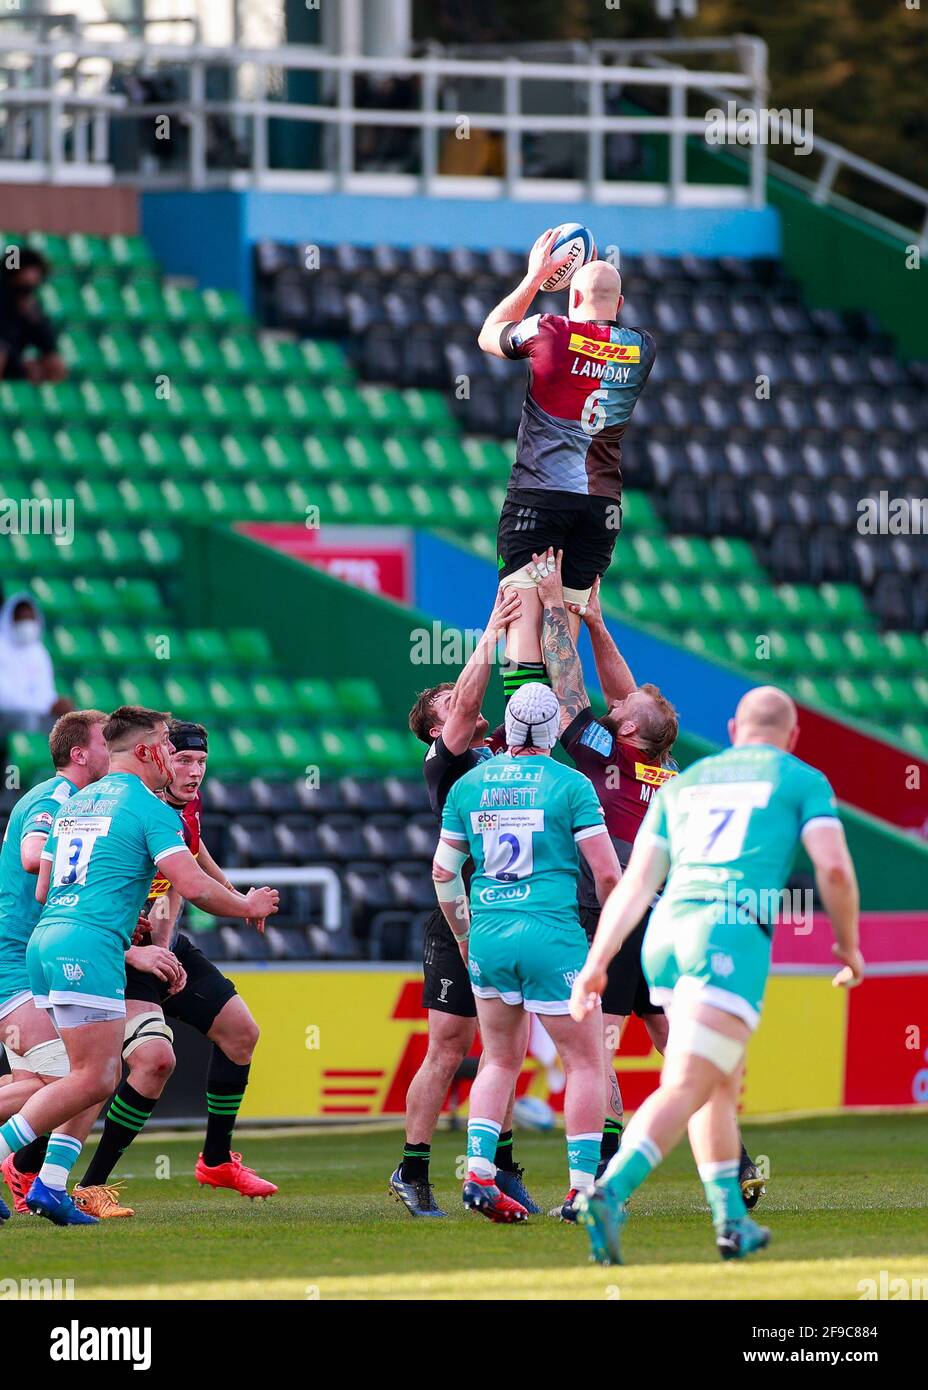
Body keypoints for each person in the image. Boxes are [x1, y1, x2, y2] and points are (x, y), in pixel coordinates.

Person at [570, 686, 865, 1264]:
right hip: (727, 934)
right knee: (688, 1082)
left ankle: (732, 1223)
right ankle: (609, 1192)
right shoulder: (800, 778)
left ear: (733, 728)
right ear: (793, 735)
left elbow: (633, 884)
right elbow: (832, 865)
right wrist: (849, 946)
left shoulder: (683, 785)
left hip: (666, 933)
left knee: (719, 1084)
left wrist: (598, 961)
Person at [532, 549, 766, 1210]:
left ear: (627, 730)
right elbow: (619, 697)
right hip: (670, 921)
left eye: (625, 708)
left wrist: (555, 605)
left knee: (599, 1048)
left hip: (617, 915)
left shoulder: (608, 754)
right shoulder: (661, 762)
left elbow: (566, 686)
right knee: (676, 1045)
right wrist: (597, 622)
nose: (620, 703)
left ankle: (604, 1178)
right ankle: (737, 1163)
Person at [0, 706, 278, 1226]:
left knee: (88, 1077)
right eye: (169, 748)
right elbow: (192, 885)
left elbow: (43, 885)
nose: (174, 757)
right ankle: (28, 1171)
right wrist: (247, 905)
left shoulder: (79, 802)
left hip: (48, 940)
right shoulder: (148, 808)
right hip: (93, 947)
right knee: (87, 1079)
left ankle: (53, 1187)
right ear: (148, 750)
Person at [434, 682, 622, 1222]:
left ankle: (478, 1175)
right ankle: (582, 1189)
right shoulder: (572, 784)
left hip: (490, 933)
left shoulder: (468, 785)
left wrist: (465, 935)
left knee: (498, 1060)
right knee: (585, 1060)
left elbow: (443, 873)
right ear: (553, 731)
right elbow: (607, 872)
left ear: (509, 730)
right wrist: (613, 934)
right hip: (553, 934)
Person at [393, 586, 541, 1216]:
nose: (463, 700)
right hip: (461, 915)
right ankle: (413, 1167)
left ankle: (502, 1169)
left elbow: (538, 695)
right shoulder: (445, 760)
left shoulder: (500, 753)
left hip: (511, 912)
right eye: (448, 700)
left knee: (506, 1047)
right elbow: (474, 697)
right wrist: (493, 626)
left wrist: (544, 608)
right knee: (450, 1045)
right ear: (434, 724)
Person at [477, 229, 655, 704]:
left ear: (571, 293)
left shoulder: (548, 330)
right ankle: (553, 730)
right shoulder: (641, 349)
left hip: (540, 498)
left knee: (524, 616)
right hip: (599, 508)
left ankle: (521, 739)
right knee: (564, 627)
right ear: (619, 306)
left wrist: (534, 278)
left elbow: (489, 333)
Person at [0, 593, 73, 735]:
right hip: (7, 717)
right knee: (28, 720)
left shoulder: (39, 652)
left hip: (37, 712)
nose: (26, 623)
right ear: (10, 619)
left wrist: (57, 703)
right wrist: (48, 706)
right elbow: (4, 698)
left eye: (29, 618)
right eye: (21, 618)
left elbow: (45, 690)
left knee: (72, 721)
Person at [0, 248, 67, 383]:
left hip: (14, 359)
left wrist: (34, 319)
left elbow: (48, 345)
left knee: (55, 365)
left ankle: (48, 401)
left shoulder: (32, 308)